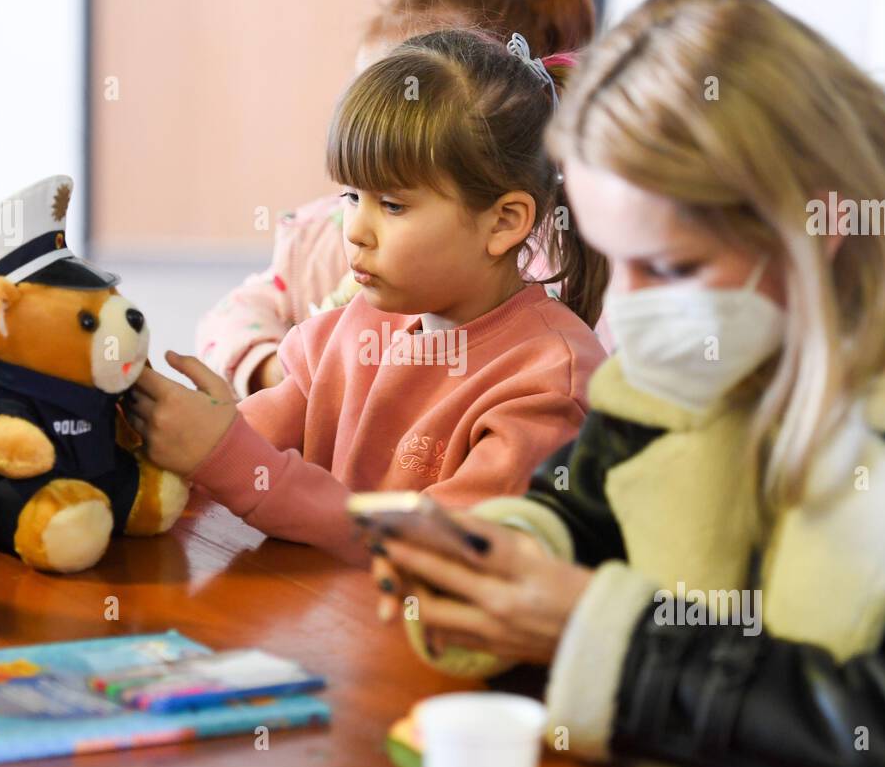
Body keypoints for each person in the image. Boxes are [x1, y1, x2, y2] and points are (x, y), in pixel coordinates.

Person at [373, 0, 885, 767]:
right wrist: (496, 562)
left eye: (672, 266)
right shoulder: (729, 316)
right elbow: (587, 507)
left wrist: (615, 647)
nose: (628, 309)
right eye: (614, 258)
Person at [128, 29, 607, 564]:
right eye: (352, 196)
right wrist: (163, 429)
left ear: (504, 221)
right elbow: (248, 442)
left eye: (393, 205)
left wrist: (224, 454)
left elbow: (441, 550)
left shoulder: (549, 380)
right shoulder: (350, 330)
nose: (354, 229)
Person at [195, 0, 599, 399]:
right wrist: (272, 374)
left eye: (392, 203)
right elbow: (236, 318)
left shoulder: (541, 304)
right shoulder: (324, 245)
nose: (355, 229)